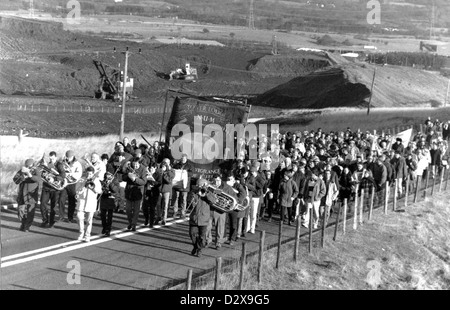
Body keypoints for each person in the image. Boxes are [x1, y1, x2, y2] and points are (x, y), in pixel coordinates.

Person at [206, 173, 234, 249]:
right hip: (210, 209)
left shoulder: (227, 187)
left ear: (220, 179)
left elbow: (234, 197)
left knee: (220, 227)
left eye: (218, 180)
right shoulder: (210, 186)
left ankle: (218, 243)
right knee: (208, 227)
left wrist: (228, 202)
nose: (216, 183)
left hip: (220, 210)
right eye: (214, 181)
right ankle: (208, 241)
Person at [13, 158, 41, 232]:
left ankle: (27, 226)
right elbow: (15, 179)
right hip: (22, 194)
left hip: (31, 194)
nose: (28, 167)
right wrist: (22, 177)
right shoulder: (22, 170)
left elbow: (38, 179)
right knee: (20, 210)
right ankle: (23, 223)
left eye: (29, 165)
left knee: (30, 212)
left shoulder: (36, 170)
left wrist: (30, 175)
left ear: (32, 164)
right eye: (27, 165)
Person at [189, 178, 214, 257]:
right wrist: (194, 194)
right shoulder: (194, 192)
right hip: (194, 218)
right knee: (192, 234)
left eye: (201, 185)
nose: (200, 186)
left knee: (202, 237)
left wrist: (206, 194)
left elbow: (213, 201)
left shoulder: (209, 193)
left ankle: (199, 249)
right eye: (198, 185)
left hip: (204, 218)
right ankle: (196, 246)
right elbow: (190, 201)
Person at [40, 151, 65, 228]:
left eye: (53, 159)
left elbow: (63, 175)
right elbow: (42, 174)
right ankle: (45, 220)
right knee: (42, 204)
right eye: (50, 159)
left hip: (55, 189)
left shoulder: (59, 165)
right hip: (46, 187)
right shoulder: (47, 164)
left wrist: (54, 178)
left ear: (56, 158)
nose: (52, 160)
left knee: (53, 207)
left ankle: (51, 222)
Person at [75, 166, 102, 242]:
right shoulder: (82, 180)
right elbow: (77, 190)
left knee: (89, 220)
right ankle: (81, 232)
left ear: (93, 174)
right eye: (87, 173)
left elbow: (99, 191)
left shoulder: (96, 180)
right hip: (82, 202)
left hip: (91, 202)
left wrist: (92, 188)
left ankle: (87, 235)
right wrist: (83, 186)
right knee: (79, 217)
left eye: (90, 174)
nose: (89, 175)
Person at [122, 157, 147, 231]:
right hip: (129, 191)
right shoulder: (129, 168)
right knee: (128, 209)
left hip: (138, 191)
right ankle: (130, 222)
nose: (135, 166)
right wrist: (128, 175)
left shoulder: (143, 169)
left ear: (139, 163)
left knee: (136, 210)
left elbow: (144, 182)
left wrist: (135, 179)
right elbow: (123, 177)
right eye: (134, 164)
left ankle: (134, 224)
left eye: (136, 164)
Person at [59, 150, 83, 223]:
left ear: (72, 156)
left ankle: (70, 217)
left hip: (72, 183)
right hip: (64, 183)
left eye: (69, 157)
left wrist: (71, 174)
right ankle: (61, 216)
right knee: (61, 200)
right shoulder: (63, 162)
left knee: (71, 201)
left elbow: (79, 174)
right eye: (67, 157)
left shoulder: (77, 164)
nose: (68, 158)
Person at [99, 165, 121, 236]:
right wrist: (103, 185)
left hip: (111, 199)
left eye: (109, 174)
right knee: (102, 215)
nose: (107, 176)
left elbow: (115, 190)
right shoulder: (104, 180)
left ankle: (108, 229)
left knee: (109, 215)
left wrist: (110, 183)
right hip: (104, 198)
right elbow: (101, 188)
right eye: (107, 174)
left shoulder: (115, 180)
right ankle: (104, 226)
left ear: (112, 175)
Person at [225, 174, 246, 246]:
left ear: (233, 180)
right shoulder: (225, 185)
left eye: (231, 179)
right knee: (226, 223)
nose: (229, 180)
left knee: (233, 223)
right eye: (228, 179)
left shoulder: (238, 185)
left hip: (234, 207)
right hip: (226, 206)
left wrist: (237, 201)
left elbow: (243, 193)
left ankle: (232, 238)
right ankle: (225, 237)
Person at [171, 153, 193, 219]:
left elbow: (191, 174)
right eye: (182, 158)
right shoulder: (177, 165)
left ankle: (183, 212)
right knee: (176, 198)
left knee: (184, 199)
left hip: (185, 185)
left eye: (184, 158)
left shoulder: (189, 166)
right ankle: (175, 211)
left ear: (186, 159)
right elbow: (173, 171)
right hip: (177, 184)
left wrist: (185, 172)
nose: (183, 159)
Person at [160, 159, 175, 225]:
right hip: (159, 188)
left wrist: (166, 171)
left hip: (166, 189)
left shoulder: (172, 170)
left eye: (166, 163)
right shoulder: (160, 168)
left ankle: (164, 219)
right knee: (159, 204)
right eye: (164, 162)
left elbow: (170, 179)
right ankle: (158, 216)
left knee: (165, 204)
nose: (165, 164)